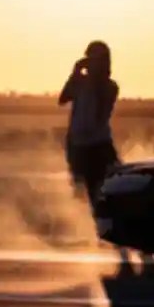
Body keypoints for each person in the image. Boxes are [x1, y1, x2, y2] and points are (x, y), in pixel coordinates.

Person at [59, 40, 120, 207]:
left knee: (106, 189)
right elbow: (63, 99)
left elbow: (101, 109)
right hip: (78, 145)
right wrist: (75, 73)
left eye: (96, 60)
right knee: (81, 192)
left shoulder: (109, 86)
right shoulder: (80, 83)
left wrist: (88, 77)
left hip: (99, 146)